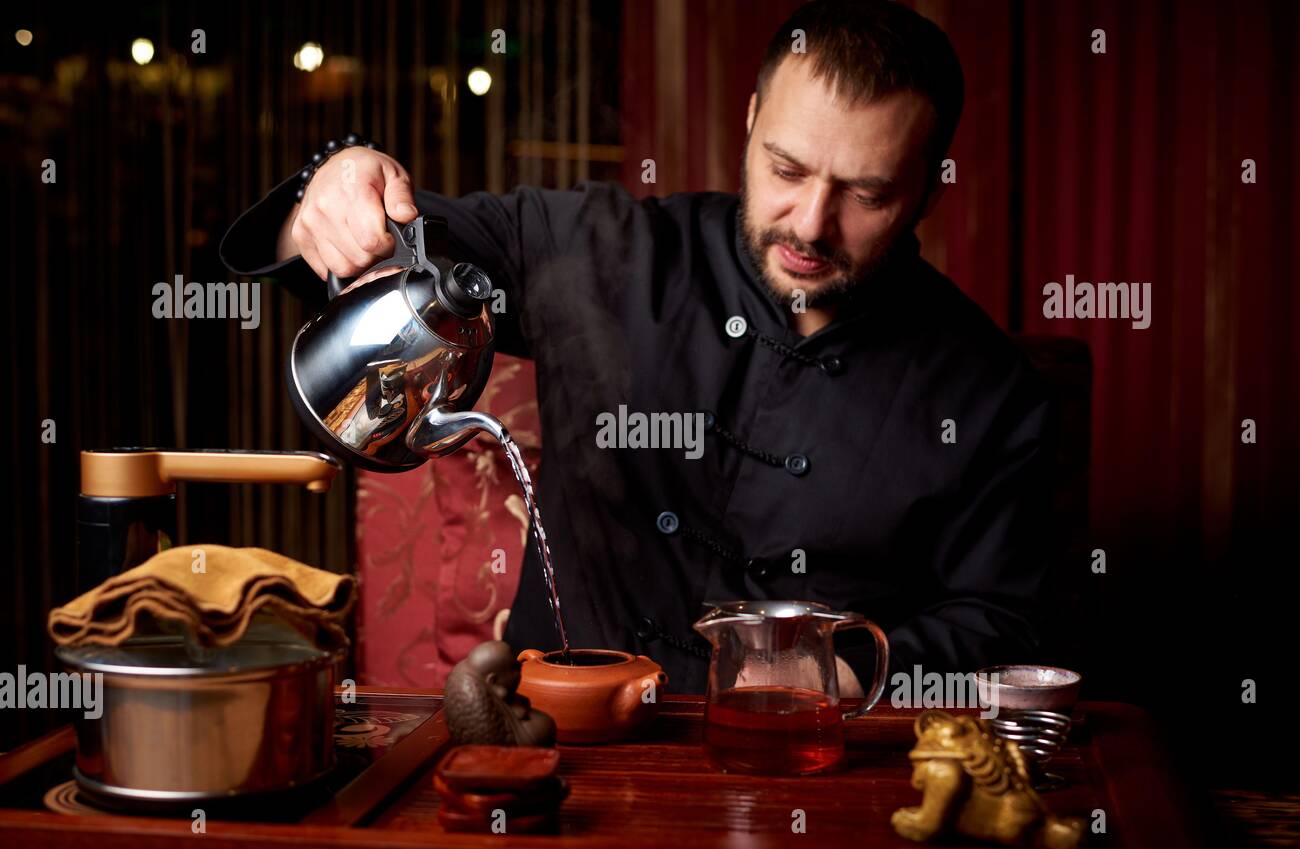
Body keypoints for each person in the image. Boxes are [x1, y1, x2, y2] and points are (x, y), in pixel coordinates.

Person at [220, 0, 1059, 698]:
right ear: (752, 119)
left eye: (867, 193)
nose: (810, 224)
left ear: (928, 185)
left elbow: (1005, 621)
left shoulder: (990, 392)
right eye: (787, 169)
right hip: (557, 751)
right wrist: (330, 194)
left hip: (814, 766)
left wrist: (841, 672)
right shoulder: (599, 247)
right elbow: (402, 246)